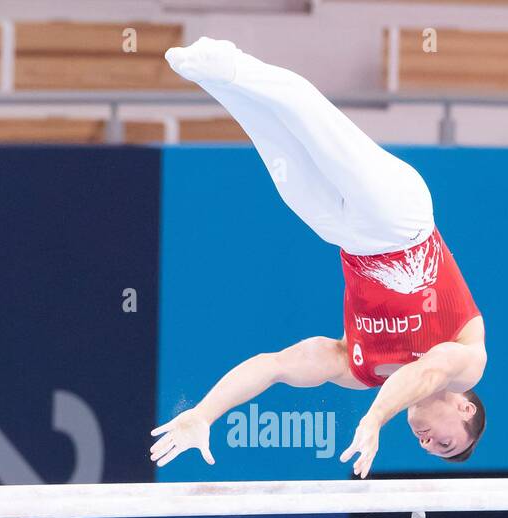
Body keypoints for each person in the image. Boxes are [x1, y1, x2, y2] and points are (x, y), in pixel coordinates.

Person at [151, 37, 486, 478]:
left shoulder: (358, 369)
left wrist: (204, 413)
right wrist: (373, 420)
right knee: (313, 123)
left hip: (344, 236)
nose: (427, 443)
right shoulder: (466, 366)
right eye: (445, 441)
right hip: (402, 221)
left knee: (272, 139)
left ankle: (215, 78)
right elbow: (425, 372)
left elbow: (274, 366)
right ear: (464, 408)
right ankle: (233, 62)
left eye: (430, 449)